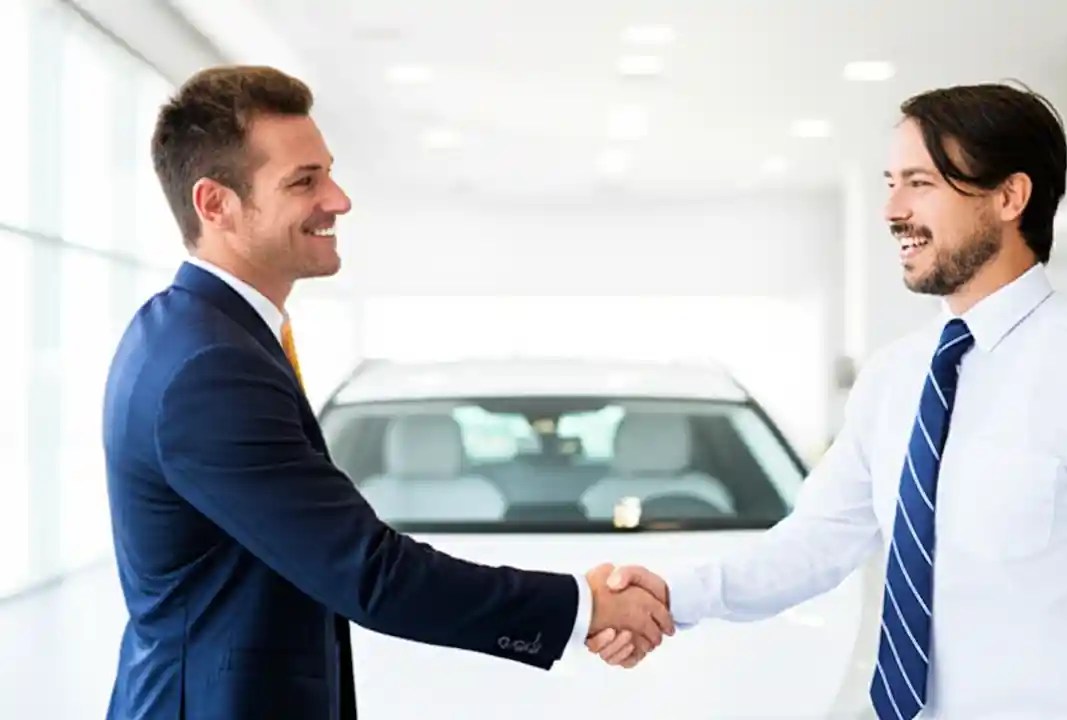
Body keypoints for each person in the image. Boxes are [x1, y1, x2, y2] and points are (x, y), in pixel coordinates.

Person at [588, 82, 1067, 718]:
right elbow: (815, 540)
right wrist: (673, 593)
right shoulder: (896, 376)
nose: (892, 210)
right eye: (889, 182)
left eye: (920, 183)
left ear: (1010, 196)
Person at [102, 65, 671, 720]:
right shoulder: (209, 366)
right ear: (216, 204)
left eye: (329, 172)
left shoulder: (191, 331)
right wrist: (585, 605)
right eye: (304, 181)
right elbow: (370, 573)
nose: (338, 200)